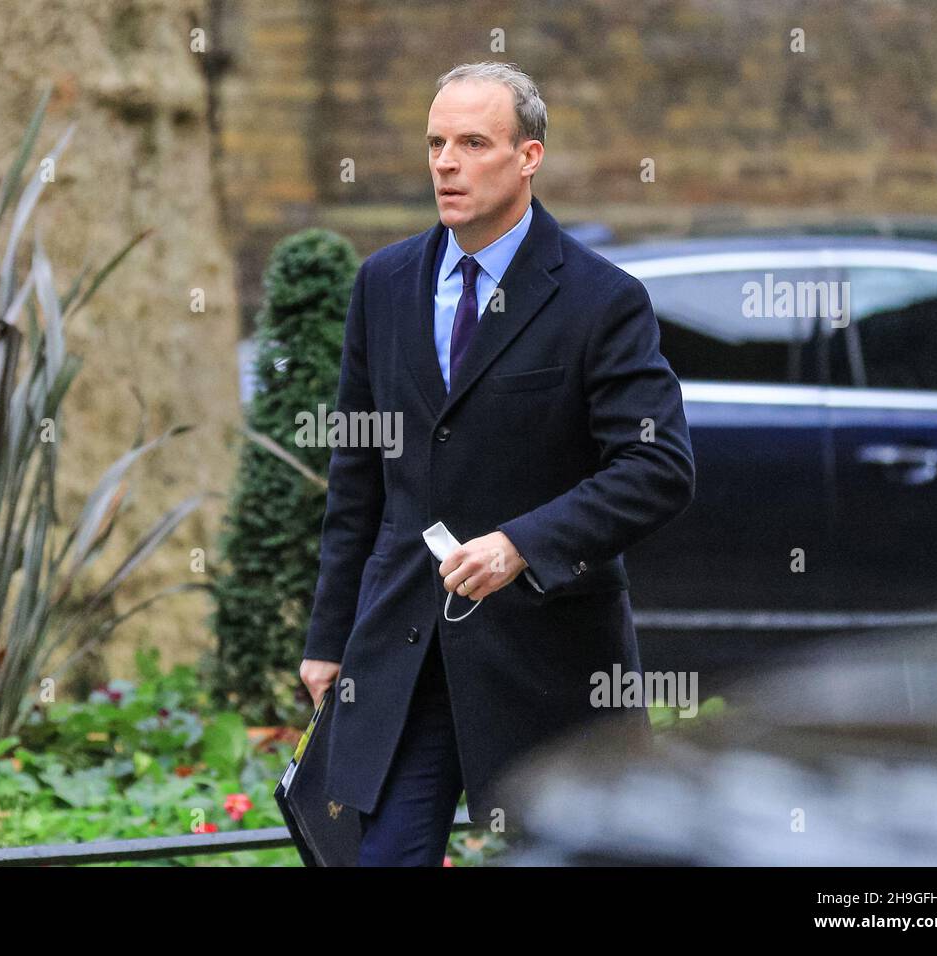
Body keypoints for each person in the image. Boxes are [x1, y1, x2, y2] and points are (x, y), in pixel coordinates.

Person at [298, 61, 696, 866]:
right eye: (436, 143)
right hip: (404, 650)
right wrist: (330, 633)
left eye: (473, 142)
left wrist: (521, 544)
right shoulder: (383, 284)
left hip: (545, 663)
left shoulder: (601, 298)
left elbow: (657, 469)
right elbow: (360, 473)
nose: (446, 162)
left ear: (529, 157)